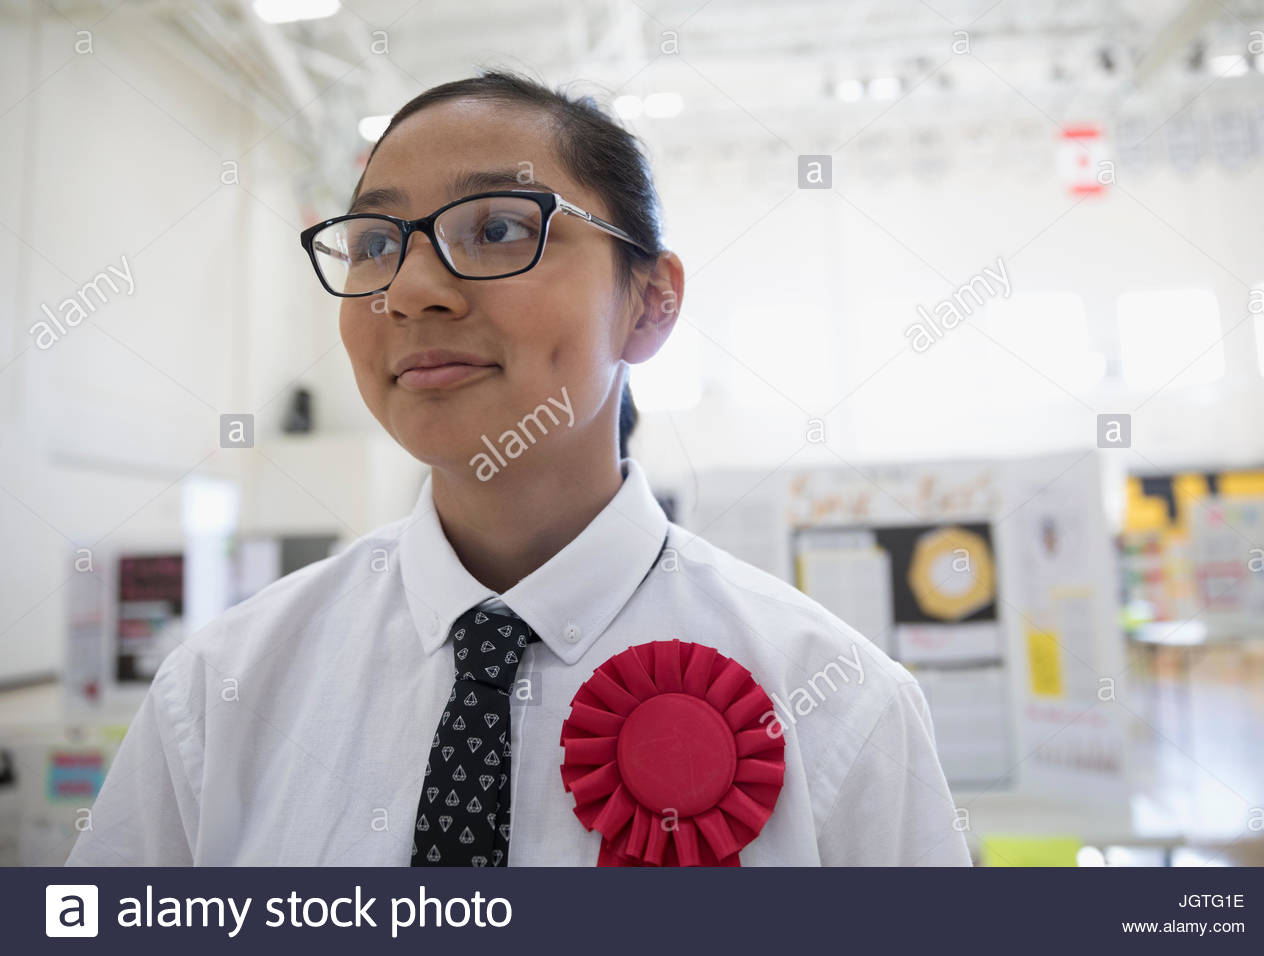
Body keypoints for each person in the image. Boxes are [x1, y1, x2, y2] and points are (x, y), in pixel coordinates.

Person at [65, 69, 971, 867]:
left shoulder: (841, 709)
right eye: (376, 243)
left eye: (498, 227)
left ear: (649, 304)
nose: (411, 290)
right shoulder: (223, 691)